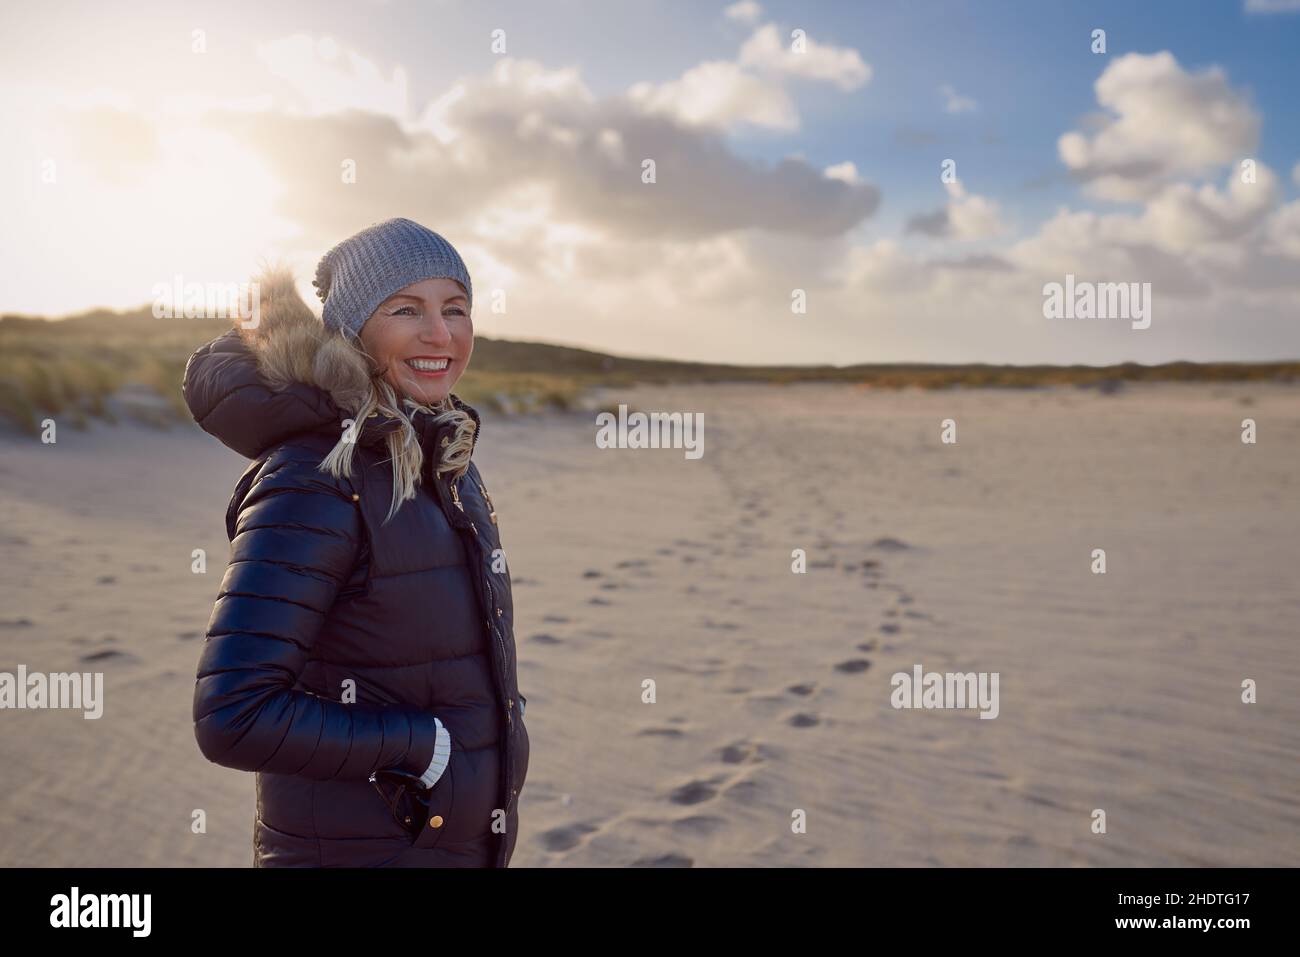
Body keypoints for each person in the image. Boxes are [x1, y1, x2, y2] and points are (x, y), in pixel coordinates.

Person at [182, 218, 529, 867]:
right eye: (406, 309)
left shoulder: (444, 458)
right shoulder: (315, 477)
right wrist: (422, 745)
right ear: (353, 331)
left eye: (455, 308)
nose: (439, 333)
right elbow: (233, 713)